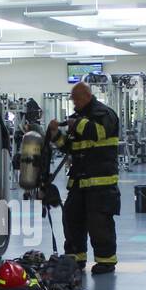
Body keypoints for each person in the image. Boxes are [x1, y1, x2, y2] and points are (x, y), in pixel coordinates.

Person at [47, 81, 120, 274]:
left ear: (86, 96)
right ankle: (75, 257)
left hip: (101, 183)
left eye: (76, 100)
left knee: (100, 223)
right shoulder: (77, 118)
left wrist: (76, 123)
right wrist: (55, 135)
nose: (74, 104)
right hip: (79, 181)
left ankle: (106, 261)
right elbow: (69, 147)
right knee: (71, 218)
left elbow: (99, 132)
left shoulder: (105, 114)